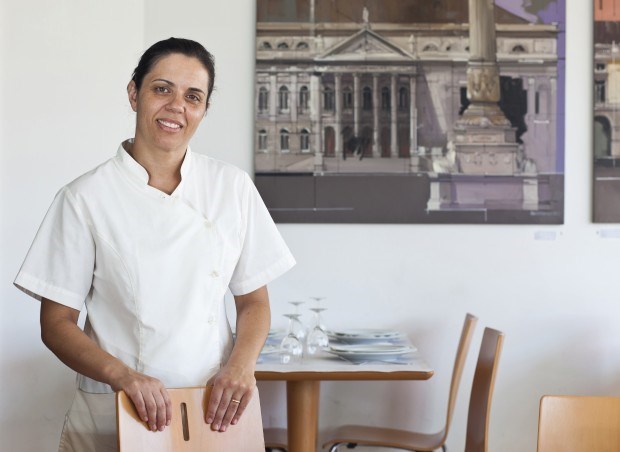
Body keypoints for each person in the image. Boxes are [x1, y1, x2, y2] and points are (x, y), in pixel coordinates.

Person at [14, 37, 295, 452]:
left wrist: (240, 366)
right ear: (134, 94)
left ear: (204, 109)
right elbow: (56, 323)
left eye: (193, 96)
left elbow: (253, 301)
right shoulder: (84, 198)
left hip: (211, 407)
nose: (177, 106)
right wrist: (123, 376)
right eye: (162, 89)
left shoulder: (231, 187)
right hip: (117, 408)